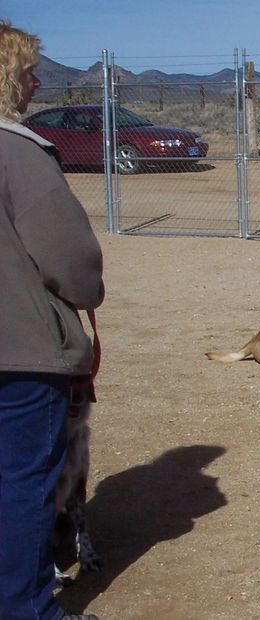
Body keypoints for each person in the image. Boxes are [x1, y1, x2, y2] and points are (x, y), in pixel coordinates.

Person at [0, 21, 105, 620]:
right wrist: (86, 292)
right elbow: (70, 260)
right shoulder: (20, 152)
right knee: (22, 486)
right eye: (29, 71)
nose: (38, 81)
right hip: (20, 354)